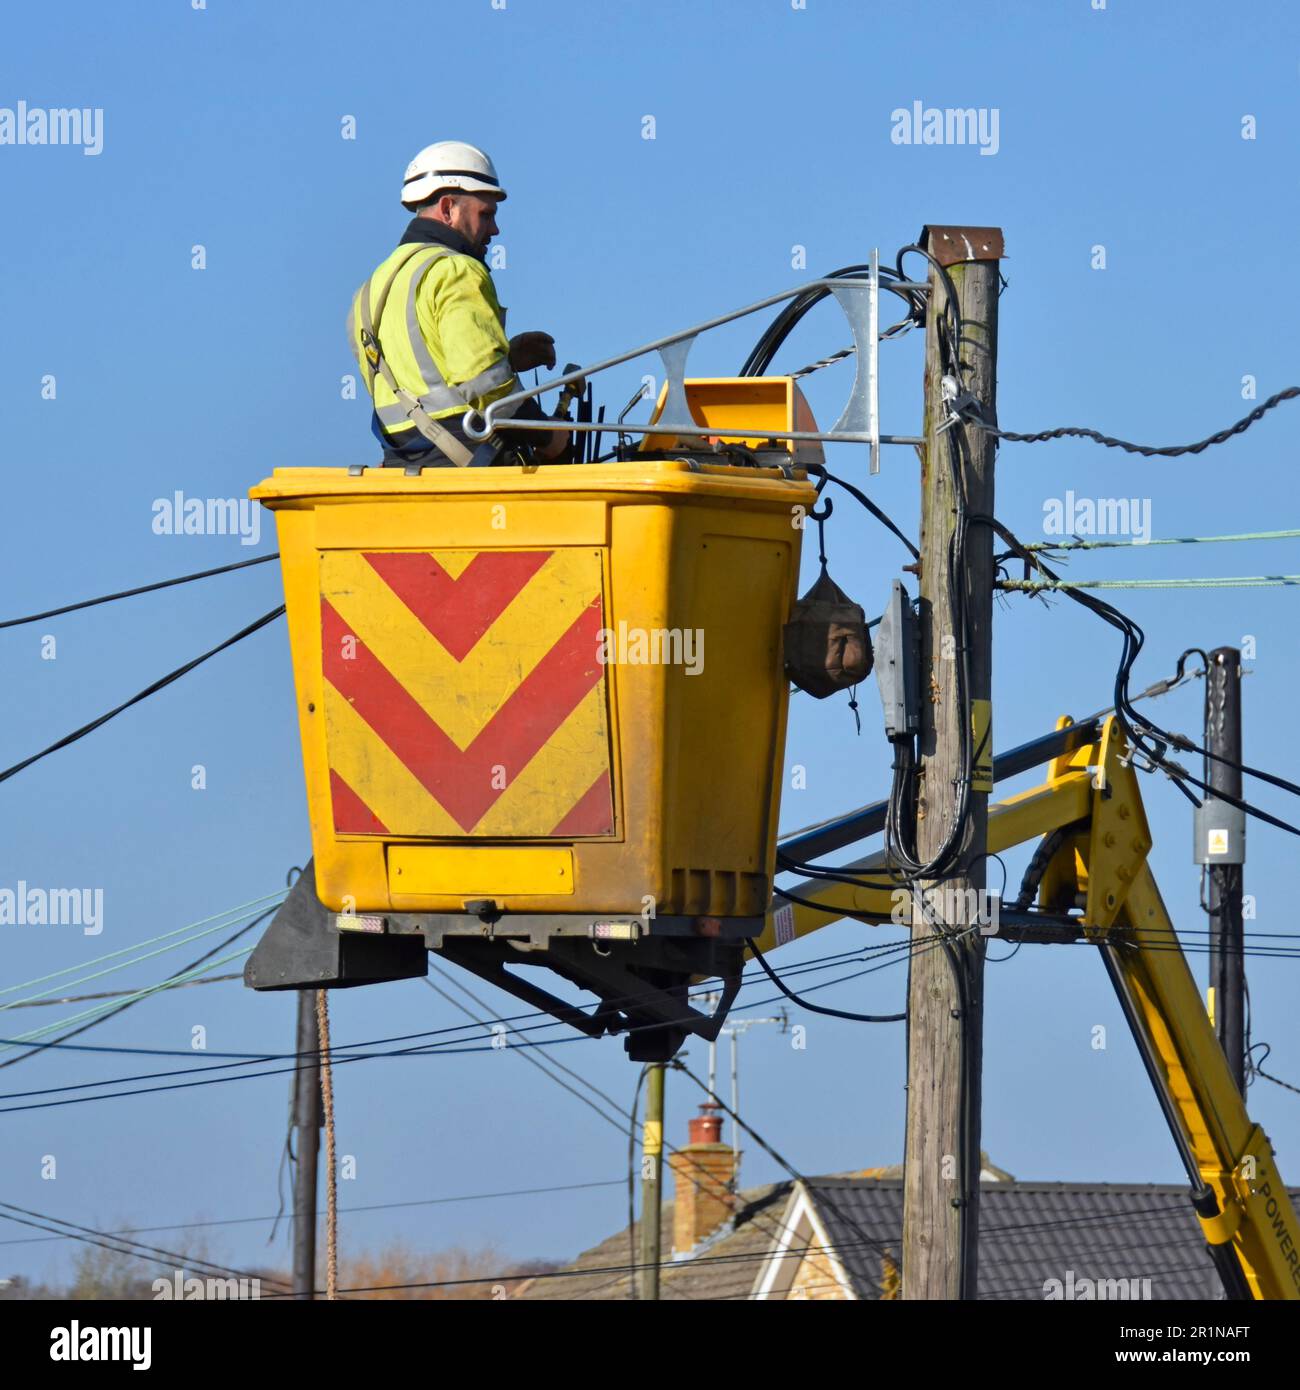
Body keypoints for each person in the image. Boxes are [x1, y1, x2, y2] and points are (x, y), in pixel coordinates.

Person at [347, 141, 569, 467]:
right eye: (486, 214)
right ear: (449, 208)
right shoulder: (456, 270)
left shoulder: (370, 290)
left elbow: (419, 380)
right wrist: (548, 436)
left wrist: (507, 358)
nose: (495, 229)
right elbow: (486, 387)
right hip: (469, 466)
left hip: (403, 470)